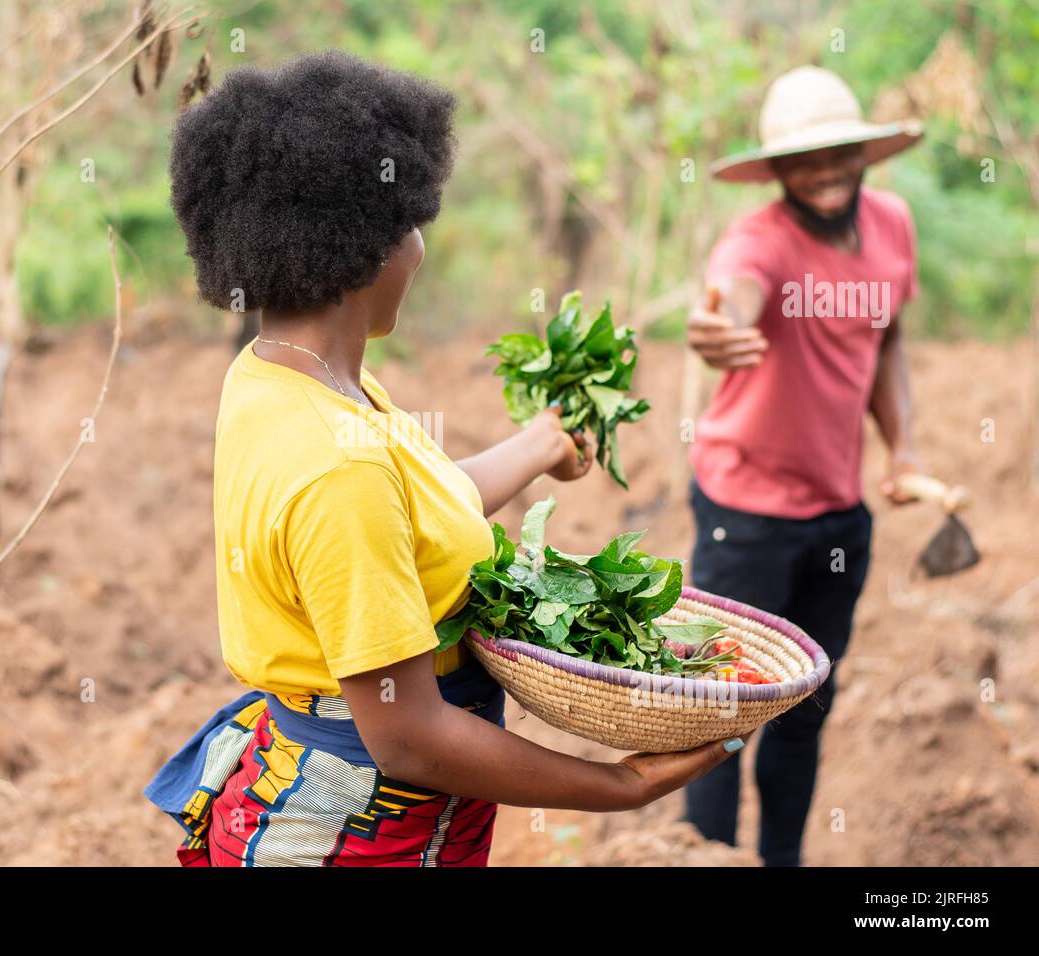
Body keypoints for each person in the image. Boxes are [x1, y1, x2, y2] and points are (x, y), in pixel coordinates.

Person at [144, 51, 741, 867]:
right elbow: (411, 739)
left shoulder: (282, 377)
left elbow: (410, 524)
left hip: (324, 787)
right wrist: (623, 786)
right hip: (354, 831)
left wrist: (539, 445)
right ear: (366, 249)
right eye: (411, 223)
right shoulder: (334, 464)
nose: (419, 247)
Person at [684, 66, 925, 866]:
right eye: (803, 161)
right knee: (720, 710)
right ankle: (706, 854)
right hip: (744, 512)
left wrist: (905, 449)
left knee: (805, 709)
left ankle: (779, 860)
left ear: (863, 155)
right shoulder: (759, 241)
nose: (823, 174)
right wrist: (719, 329)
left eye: (838, 157)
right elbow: (734, 294)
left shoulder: (892, 225)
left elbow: (887, 341)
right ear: (778, 170)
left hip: (836, 513)